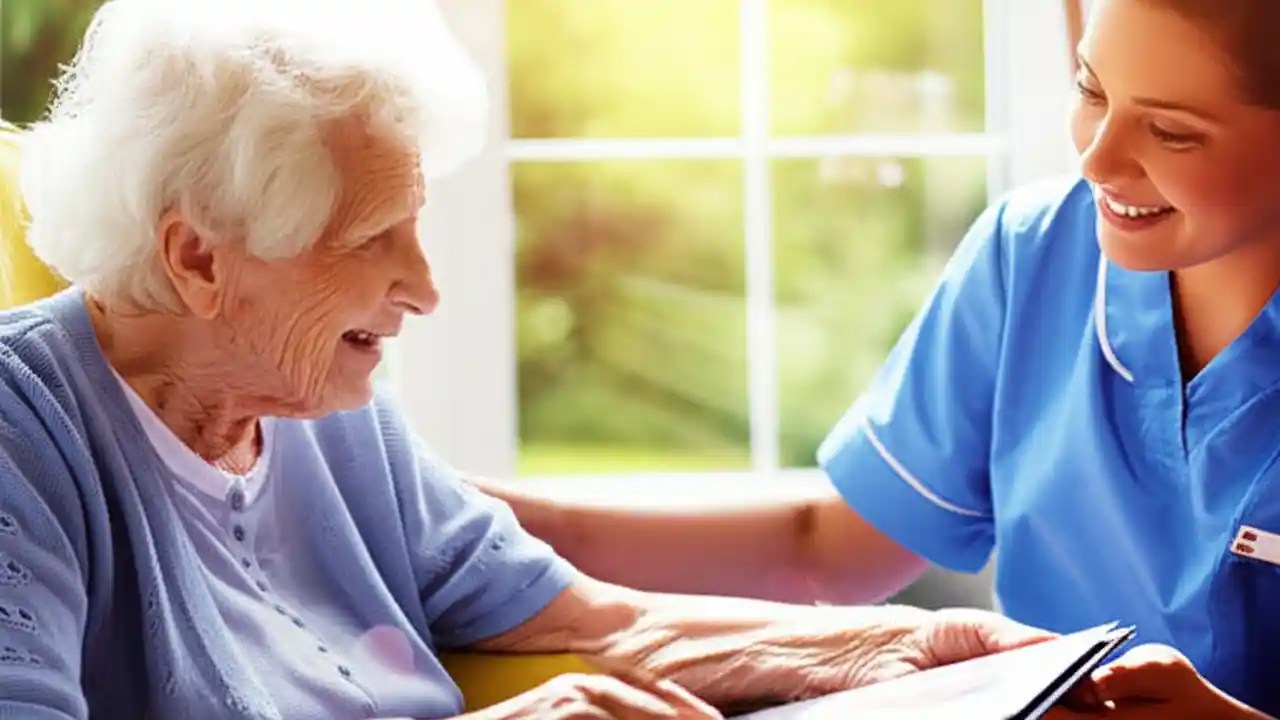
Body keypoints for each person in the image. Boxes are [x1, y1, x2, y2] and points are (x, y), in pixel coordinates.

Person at [0, 0, 1059, 717]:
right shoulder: (24, 434)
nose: (423, 286)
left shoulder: (328, 414)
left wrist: (899, 652)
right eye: (371, 238)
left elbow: (587, 619)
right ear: (196, 257)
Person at [477, 1, 1280, 718]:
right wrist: (458, 522)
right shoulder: (1034, 255)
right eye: (1092, 90)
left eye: (1171, 130)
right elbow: (824, 551)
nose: (1097, 162)